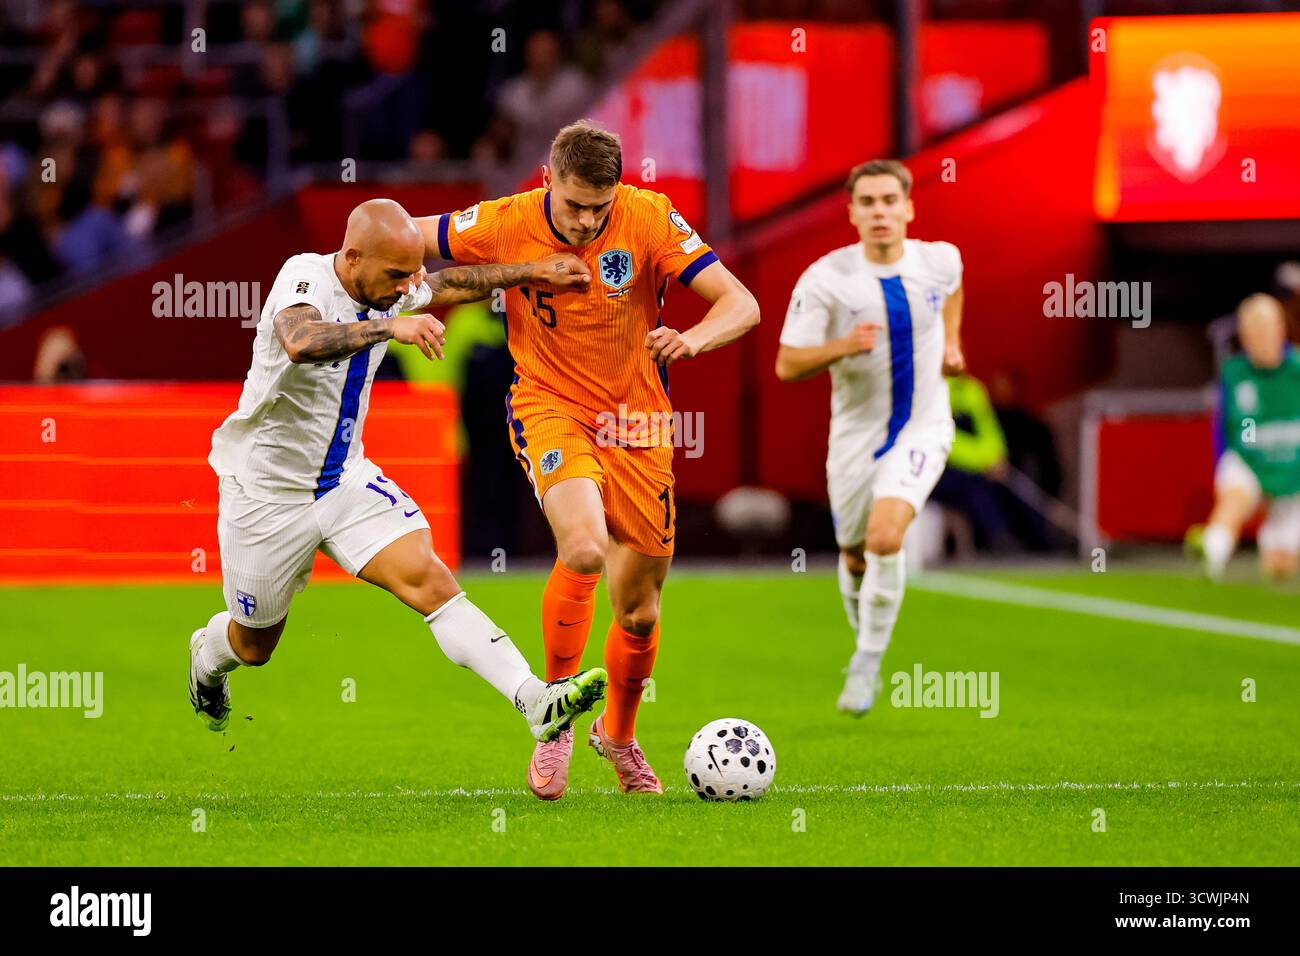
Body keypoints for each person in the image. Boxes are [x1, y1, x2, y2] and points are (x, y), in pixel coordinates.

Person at [417, 119, 760, 798]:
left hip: (638, 423)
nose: (585, 221)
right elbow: (406, 238)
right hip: (549, 405)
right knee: (581, 548)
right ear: (547, 180)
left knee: (639, 613)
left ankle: (619, 736)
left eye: (599, 208)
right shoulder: (507, 220)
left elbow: (741, 304)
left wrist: (693, 339)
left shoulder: (649, 217)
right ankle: (557, 718)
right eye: (574, 205)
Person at [190, 198, 606, 748]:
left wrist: (533, 272)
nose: (406, 286)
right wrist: (393, 327)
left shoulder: (394, 284)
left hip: (344, 481)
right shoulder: (304, 276)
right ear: (353, 255)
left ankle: (533, 699)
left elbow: (453, 284)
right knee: (254, 646)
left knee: (430, 579)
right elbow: (301, 342)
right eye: (394, 276)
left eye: (411, 274)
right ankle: (206, 658)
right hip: (266, 495)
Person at [775, 159, 964, 715]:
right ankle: (865, 645)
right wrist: (842, 347)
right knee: (855, 554)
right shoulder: (827, 279)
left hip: (924, 427)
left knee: (885, 539)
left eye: (889, 200)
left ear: (909, 208)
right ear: (852, 212)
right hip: (855, 438)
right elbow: (787, 364)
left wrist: (952, 342)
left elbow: (954, 287)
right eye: (868, 202)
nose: (880, 211)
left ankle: (866, 663)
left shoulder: (938, 260)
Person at [1188, 293, 1300, 580]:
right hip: (1249, 461)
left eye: (1266, 328)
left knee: (1280, 568)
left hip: (1293, 473)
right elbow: (1224, 427)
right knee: (1234, 499)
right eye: (1253, 330)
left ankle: (1275, 546)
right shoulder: (1235, 374)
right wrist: (1222, 469)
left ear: (1281, 329)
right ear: (1245, 337)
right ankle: (1211, 555)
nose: (1261, 337)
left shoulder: (1297, 371)